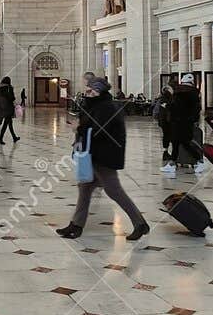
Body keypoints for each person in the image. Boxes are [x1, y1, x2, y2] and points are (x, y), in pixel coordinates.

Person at [56, 77, 149, 242]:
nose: (87, 93)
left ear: (99, 91)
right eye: (87, 90)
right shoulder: (96, 105)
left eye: (90, 91)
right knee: (84, 188)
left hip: (105, 156)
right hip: (94, 154)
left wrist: (79, 127)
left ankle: (140, 223)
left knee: (114, 191)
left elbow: (98, 130)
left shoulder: (106, 107)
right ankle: (76, 225)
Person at [164, 74, 203, 173]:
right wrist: (195, 120)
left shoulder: (179, 93)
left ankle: (199, 160)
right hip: (188, 122)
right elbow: (197, 109)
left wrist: (167, 106)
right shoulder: (195, 93)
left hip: (177, 122)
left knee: (180, 143)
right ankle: (172, 163)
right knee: (182, 142)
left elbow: (174, 106)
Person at [0, 76, 19, 145]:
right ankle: (0, 139)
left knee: (9, 123)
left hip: (2, 107)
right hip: (8, 108)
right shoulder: (9, 87)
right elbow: (11, 97)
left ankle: (14, 137)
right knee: (6, 124)